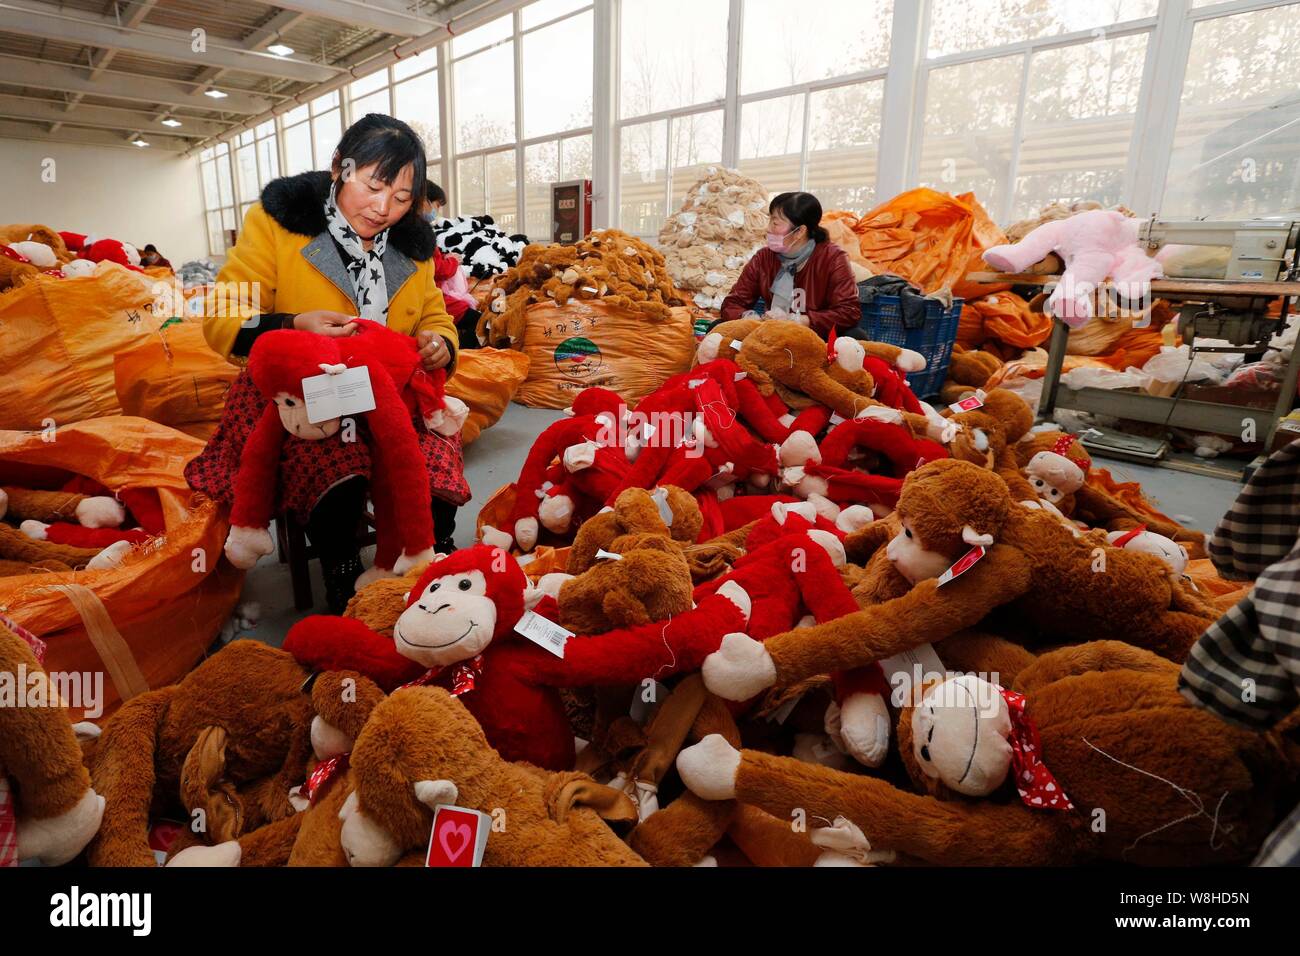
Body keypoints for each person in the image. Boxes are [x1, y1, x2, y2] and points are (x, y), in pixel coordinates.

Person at [187, 113, 467, 612]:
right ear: (340, 166)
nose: (383, 209)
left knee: (434, 448)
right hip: (305, 389)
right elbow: (223, 315)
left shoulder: (413, 247)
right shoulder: (280, 225)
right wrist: (292, 325)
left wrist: (440, 343)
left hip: (387, 386)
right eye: (374, 186)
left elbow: (434, 315)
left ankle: (430, 552)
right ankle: (340, 568)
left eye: (402, 199)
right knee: (335, 450)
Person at [719, 191, 860, 337]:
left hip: (814, 337)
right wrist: (748, 317)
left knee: (855, 335)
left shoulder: (833, 258)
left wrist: (802, 321)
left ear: (800, 231)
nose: (768, 228)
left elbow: (849, 312)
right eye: (770, 221)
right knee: (718, 326)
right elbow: (732, 303)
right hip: (769, 334)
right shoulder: (764, 258)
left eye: (775, 223)